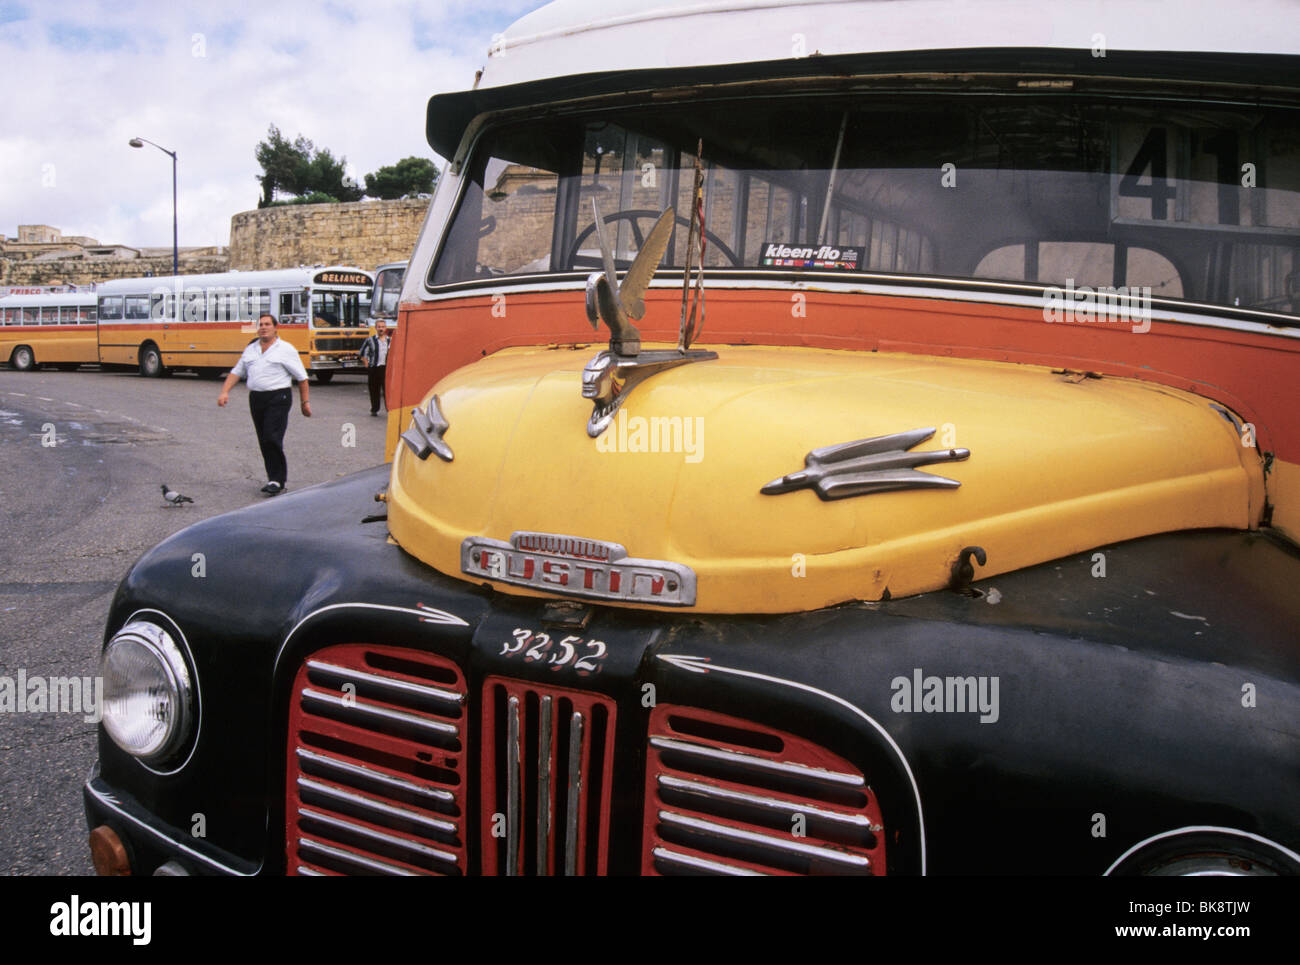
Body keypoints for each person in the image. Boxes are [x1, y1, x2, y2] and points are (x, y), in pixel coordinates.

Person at [217, 313, 311, 495]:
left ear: (276, 328)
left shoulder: (286, 349)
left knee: (271, 436)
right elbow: (237, 372)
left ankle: (278, 480)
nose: (263, 327)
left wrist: (304, 403)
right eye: (260, 324)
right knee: (264, 439)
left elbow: (302, 378)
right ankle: (273, 477)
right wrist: (224, 391)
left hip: (279, 397)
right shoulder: (251, 349)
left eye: (267, 324)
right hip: (256, 398)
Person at [359, 318, 392, 416]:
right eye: (379, 327)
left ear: (385, 328)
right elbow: (362, 354)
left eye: (382, 327)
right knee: (374, 390)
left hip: (386, 369)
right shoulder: (370, 340)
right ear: (376, 328)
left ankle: (389, 409)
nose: (381, 329)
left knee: (387, 391)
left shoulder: (390, 341)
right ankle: (374, 409)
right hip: (374, 368)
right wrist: (367, 366)